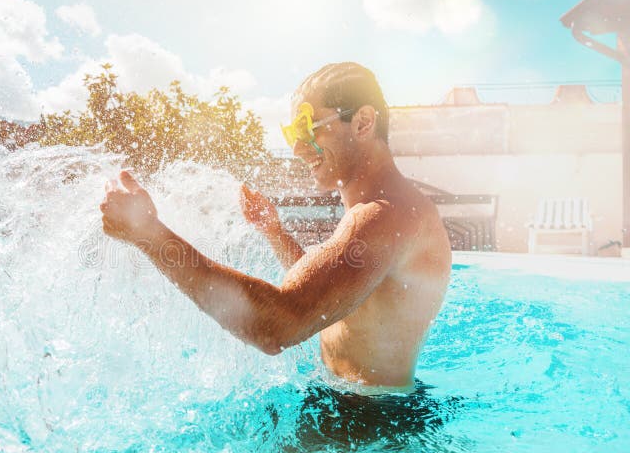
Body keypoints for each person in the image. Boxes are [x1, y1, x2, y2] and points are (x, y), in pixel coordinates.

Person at [100, 62, 450, 389]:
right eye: (291, 133)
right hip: (363, 414)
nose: (298, 148)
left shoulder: (383, 216)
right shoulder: (386, 212)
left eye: (307, 129)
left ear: (362, 122)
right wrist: (273, 230)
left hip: (370, 433)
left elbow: (278, 325)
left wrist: (149, 234)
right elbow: (326, 295)